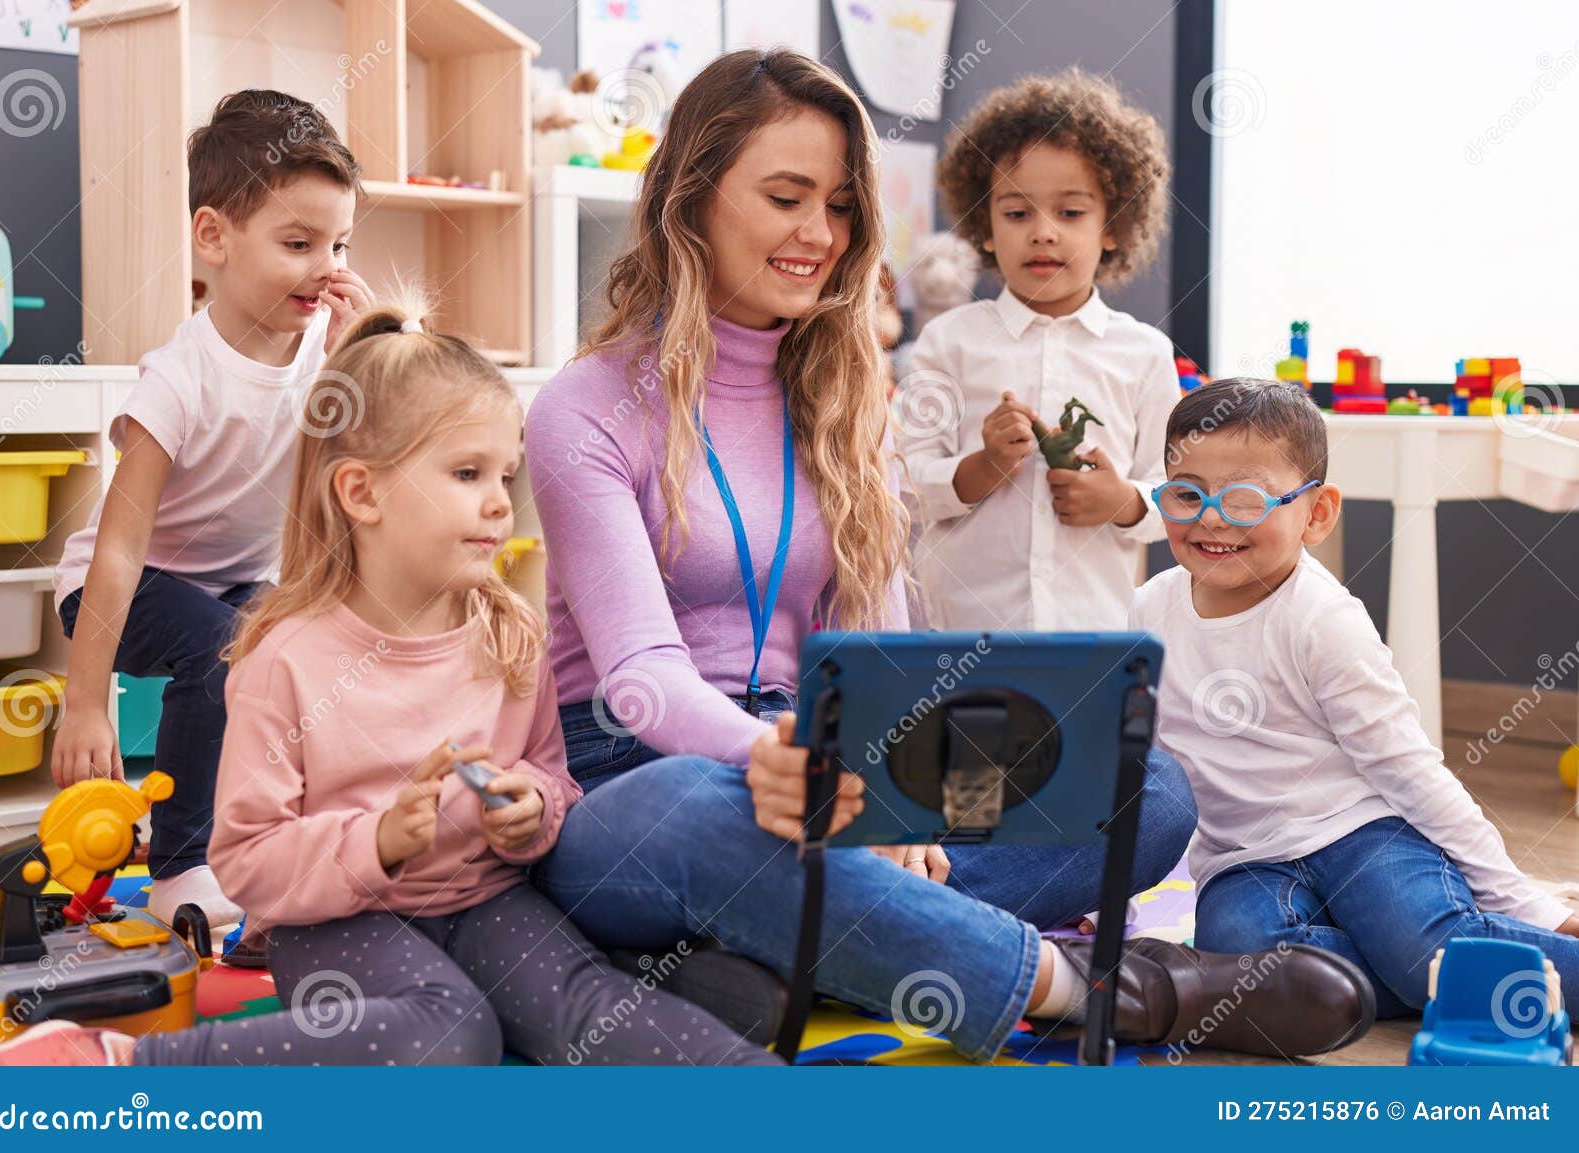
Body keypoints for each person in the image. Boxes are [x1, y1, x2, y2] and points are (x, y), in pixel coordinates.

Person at [525, 48, 1373, 1063]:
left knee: (1142, 786)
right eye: (786, 197)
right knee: (704, 808)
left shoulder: (846, 399)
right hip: (642, 777)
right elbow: (640, 682)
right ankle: (1103, 988)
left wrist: (885, 791)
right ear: (691, 197)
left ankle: (789, 946)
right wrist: (787, 769)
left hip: (829, 769)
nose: (818, 235)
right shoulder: (584, 407)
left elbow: (876, 636)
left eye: (839, 206)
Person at [0, 297, 781, 1068]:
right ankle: (121, 1063)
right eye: (468, 473)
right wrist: (380, 840)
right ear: (361, 493)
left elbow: (552, 778)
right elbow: (248, 860)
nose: (501, 504)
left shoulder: (510, 636)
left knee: (592, 1008)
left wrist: (532, 810)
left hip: (486, 899)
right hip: (332, 921)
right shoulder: (280, 658)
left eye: (507, 476)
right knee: (450, 1036)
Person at [1134, 377, 1579, 1017]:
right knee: (1237, 951)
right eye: (1187, 494)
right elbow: (1136, 771)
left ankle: (1442, 964)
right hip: (1246, 860)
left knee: (1424, 942)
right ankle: (1407, 979)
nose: (1210, 518)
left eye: (1244, 499)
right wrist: (1108, 896)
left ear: (1316, 513)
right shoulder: (1149, 610)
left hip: (1365, 833)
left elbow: (1408, 767)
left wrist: (1519, 900)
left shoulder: (1322, 619)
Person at [51, 90, 373, 926]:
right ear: (213, 237)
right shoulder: (178, 378)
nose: (325, 267)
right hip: (119, 587)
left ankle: (271, 842)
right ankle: (180, 864)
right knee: (228, 651)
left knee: (305, 646)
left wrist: (362, 360)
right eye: (298, 243)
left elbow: (366, 486)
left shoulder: (324, 358)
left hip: (236, 583)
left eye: (338, 244)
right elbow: (118, 551)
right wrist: (86, 701)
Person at [901, 69, 1178, 635]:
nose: (1043, 232)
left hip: (1096, 636)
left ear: (1113, 225)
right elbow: (903, 484)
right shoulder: (948, 343)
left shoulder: (1144, 354)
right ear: (983, 225)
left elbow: (1175, 490)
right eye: (1017, 212)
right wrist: (982, 467)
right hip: (960, 636)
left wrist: (1123, 501)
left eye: (1071, 213)